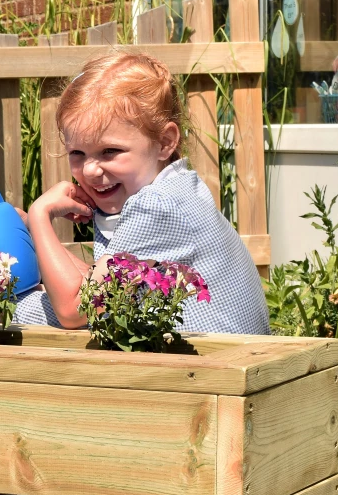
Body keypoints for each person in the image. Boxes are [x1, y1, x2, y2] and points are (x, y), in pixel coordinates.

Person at [14, 52, 270, 335]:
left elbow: (74, 310)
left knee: (17, 306)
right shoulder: (180, 188)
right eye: (77, 153)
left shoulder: (157, 206)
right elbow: (92, 282)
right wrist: (34, 236)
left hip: (213, 372)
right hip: (228, 364)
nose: (89, 171)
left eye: (109, 151)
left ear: (165, 142)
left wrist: (40, 215)